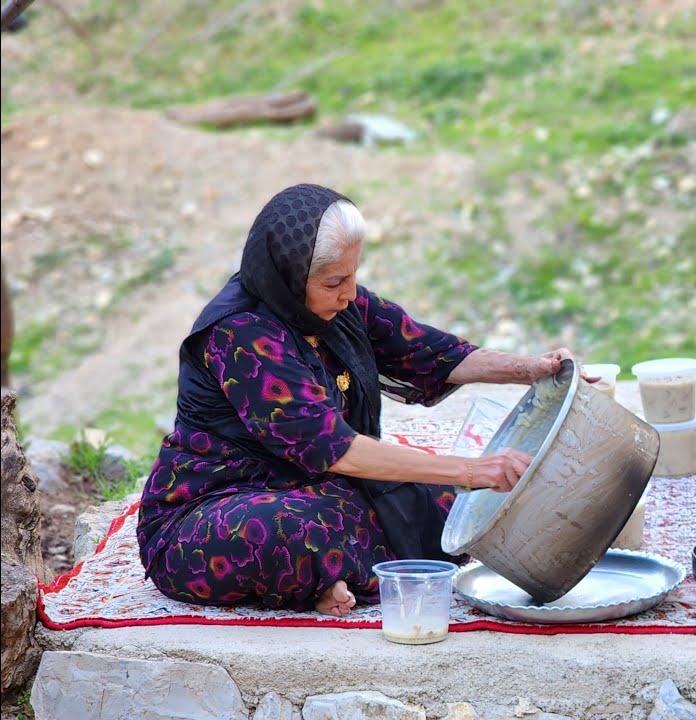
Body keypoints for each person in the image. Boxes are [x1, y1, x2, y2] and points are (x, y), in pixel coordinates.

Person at [137, 183, 584, 616]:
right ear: (291, 278)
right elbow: (332, 448)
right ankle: (312, 578)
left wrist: (530, 369)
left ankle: (322, 580)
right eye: (335, 282)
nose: (349, 294)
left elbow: (429, 352)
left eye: (353, 277)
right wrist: (473, 470)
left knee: (441, 505)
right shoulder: (241, 334)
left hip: (316, 488)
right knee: (292, 531)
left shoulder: (336, 304)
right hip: (215, 507)